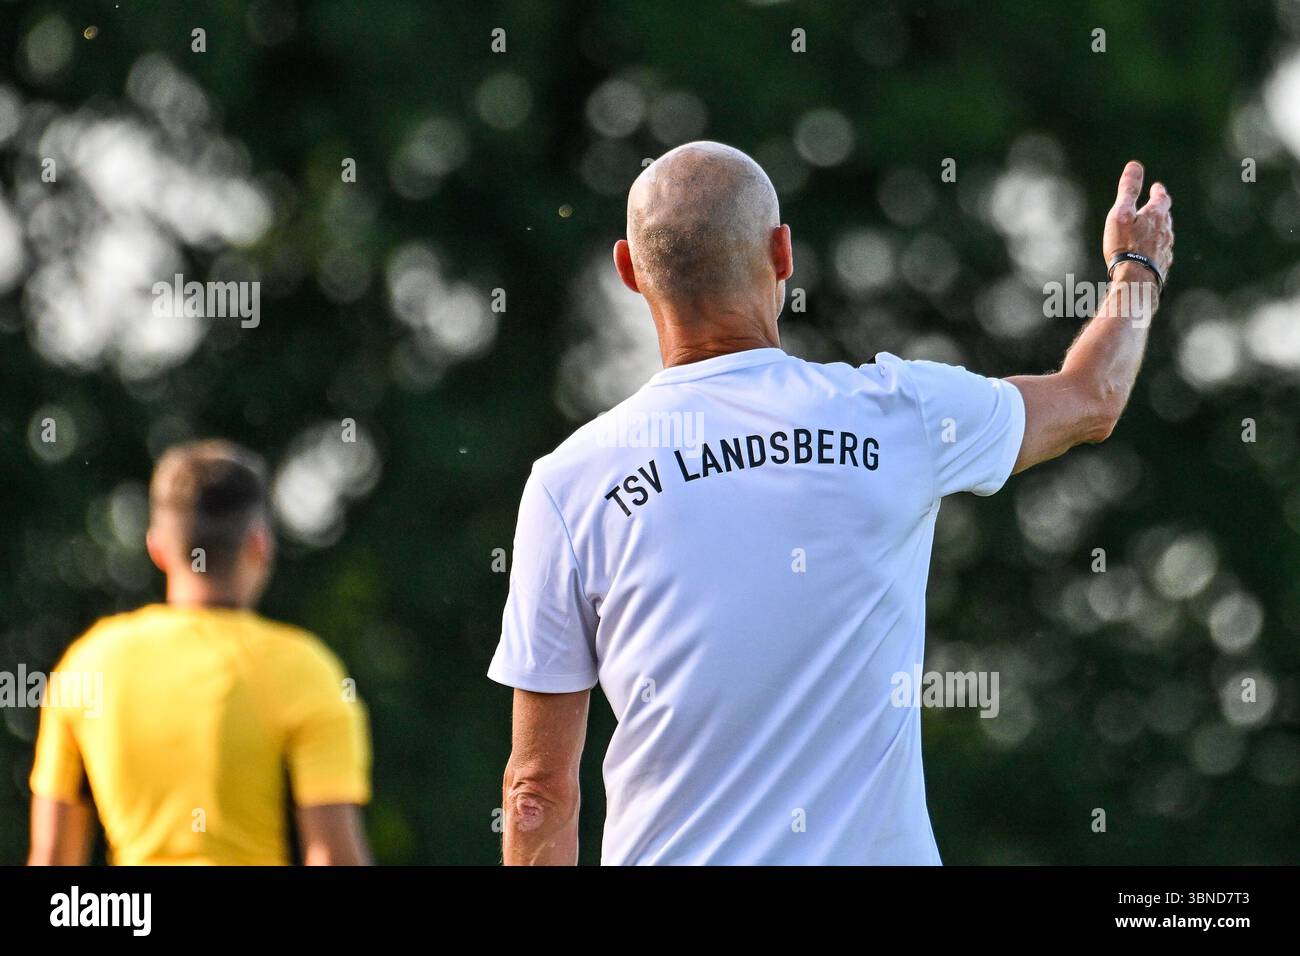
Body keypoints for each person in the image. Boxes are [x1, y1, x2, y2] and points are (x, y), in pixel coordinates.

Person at [489, 142, 1173, 864]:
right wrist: (1138, 269)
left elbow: (536, 793)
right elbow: (1092, 398)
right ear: (782, 253)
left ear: (629, 270)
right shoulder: (898, 412)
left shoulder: (570, 483)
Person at [28, 440, 373, 866]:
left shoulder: (89, 664)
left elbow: (52, 859)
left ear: (157, 548)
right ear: (259, 544)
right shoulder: (306, 671)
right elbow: (335, 859)